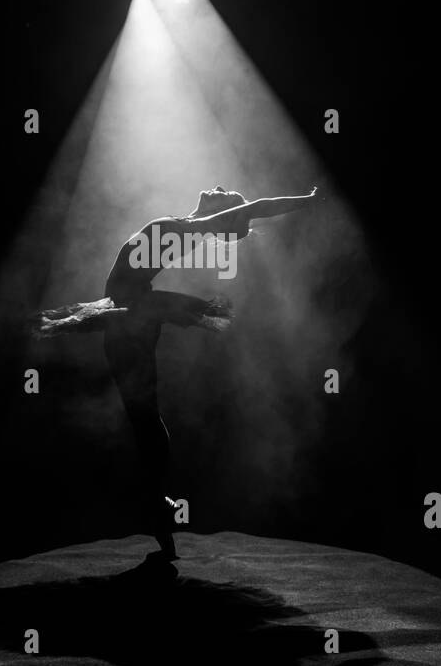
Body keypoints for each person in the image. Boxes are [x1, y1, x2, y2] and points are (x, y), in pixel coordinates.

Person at [31, 186, 319, 577]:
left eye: (227, 194)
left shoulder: (200, 227)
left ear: (225, 212)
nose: (220, 187)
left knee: (145, 416)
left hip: (135, 313)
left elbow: (261, 206)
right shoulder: (186, 223)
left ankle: (158, 505)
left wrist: (304, 200)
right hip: (129, 312)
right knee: (143, 415)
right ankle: (159, 507)